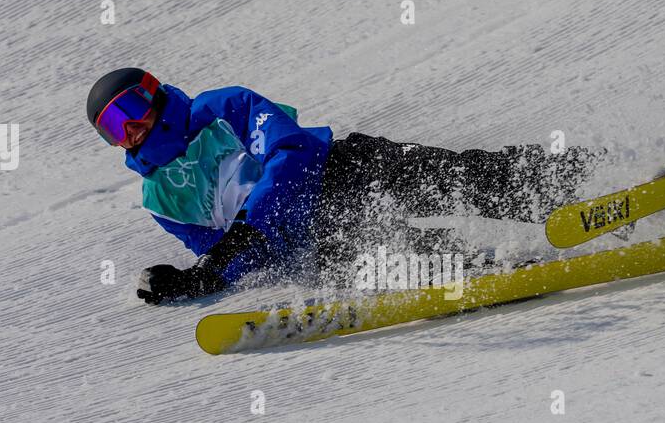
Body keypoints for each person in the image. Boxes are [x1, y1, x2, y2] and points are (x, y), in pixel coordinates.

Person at [87, 68, 597, 303]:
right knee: (409, 260)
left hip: (341, 172)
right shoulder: (162, 201)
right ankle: (501, 269)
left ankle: (596, 179)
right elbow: (229, 255)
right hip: (311, 245)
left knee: (461, 178)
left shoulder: (221, 109)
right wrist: (200, 276)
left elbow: (291, 152)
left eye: (130, 110)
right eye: (113, 128)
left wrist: (249, 224)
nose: (130, 130)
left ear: (154, 95)